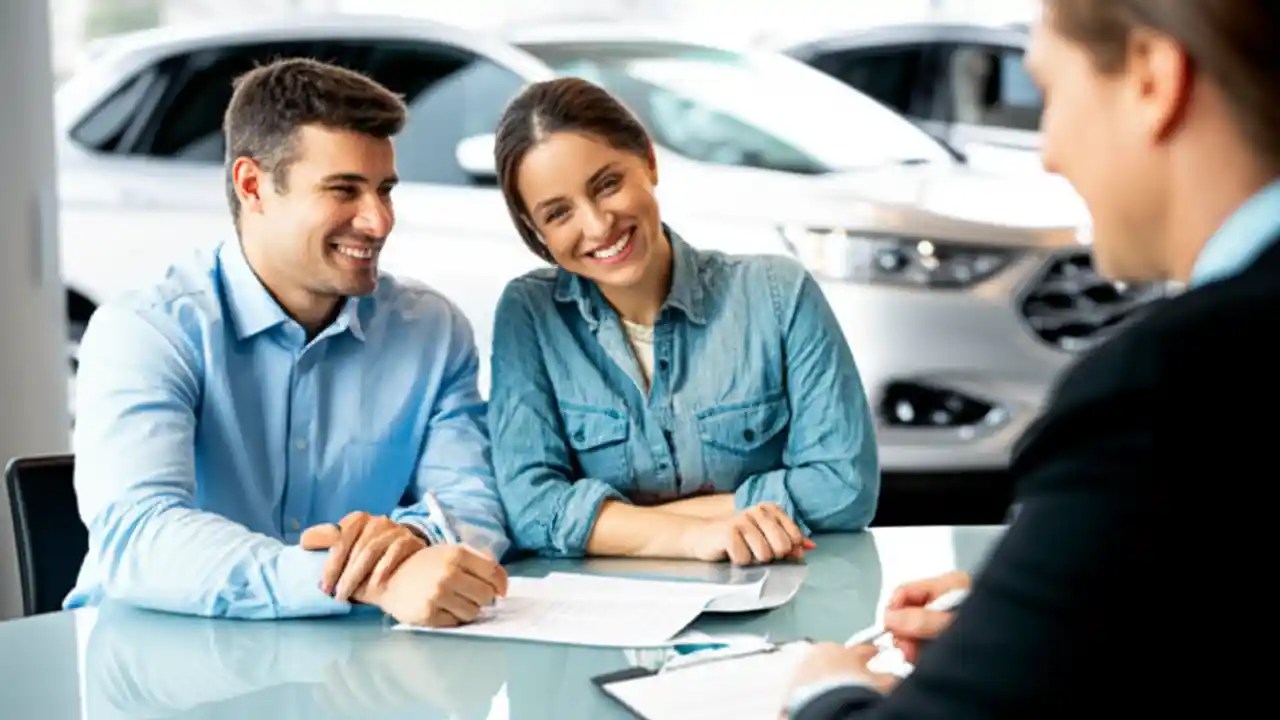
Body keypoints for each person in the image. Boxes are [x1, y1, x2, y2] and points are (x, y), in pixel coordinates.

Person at [784, 0, 1279, 716]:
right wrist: (1041, 608)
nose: (1049, 152)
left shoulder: (1170, 388)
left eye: (1049, 91)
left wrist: (825, 690)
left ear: (1151, 78)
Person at [66, 58, 509, 627]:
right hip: (159, 657)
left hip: (348, 661)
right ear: (252, 186)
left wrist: (411, 542)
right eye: (344, 190)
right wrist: (357, 578)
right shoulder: (146, 331)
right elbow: (140, 534)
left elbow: (474, 503)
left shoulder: (432, 332)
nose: (378, 221)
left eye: (384, 190)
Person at [486, 77, 880, 565]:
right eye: (559, 213)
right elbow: (531, 508)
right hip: (611, 605)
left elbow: (844, 488)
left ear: (648, 161)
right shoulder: (529, 314)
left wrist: (628, 525)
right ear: (536, 230)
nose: (597, 225)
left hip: (781, 591)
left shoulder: (779, 295)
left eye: (607, 185)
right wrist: (695, 536)